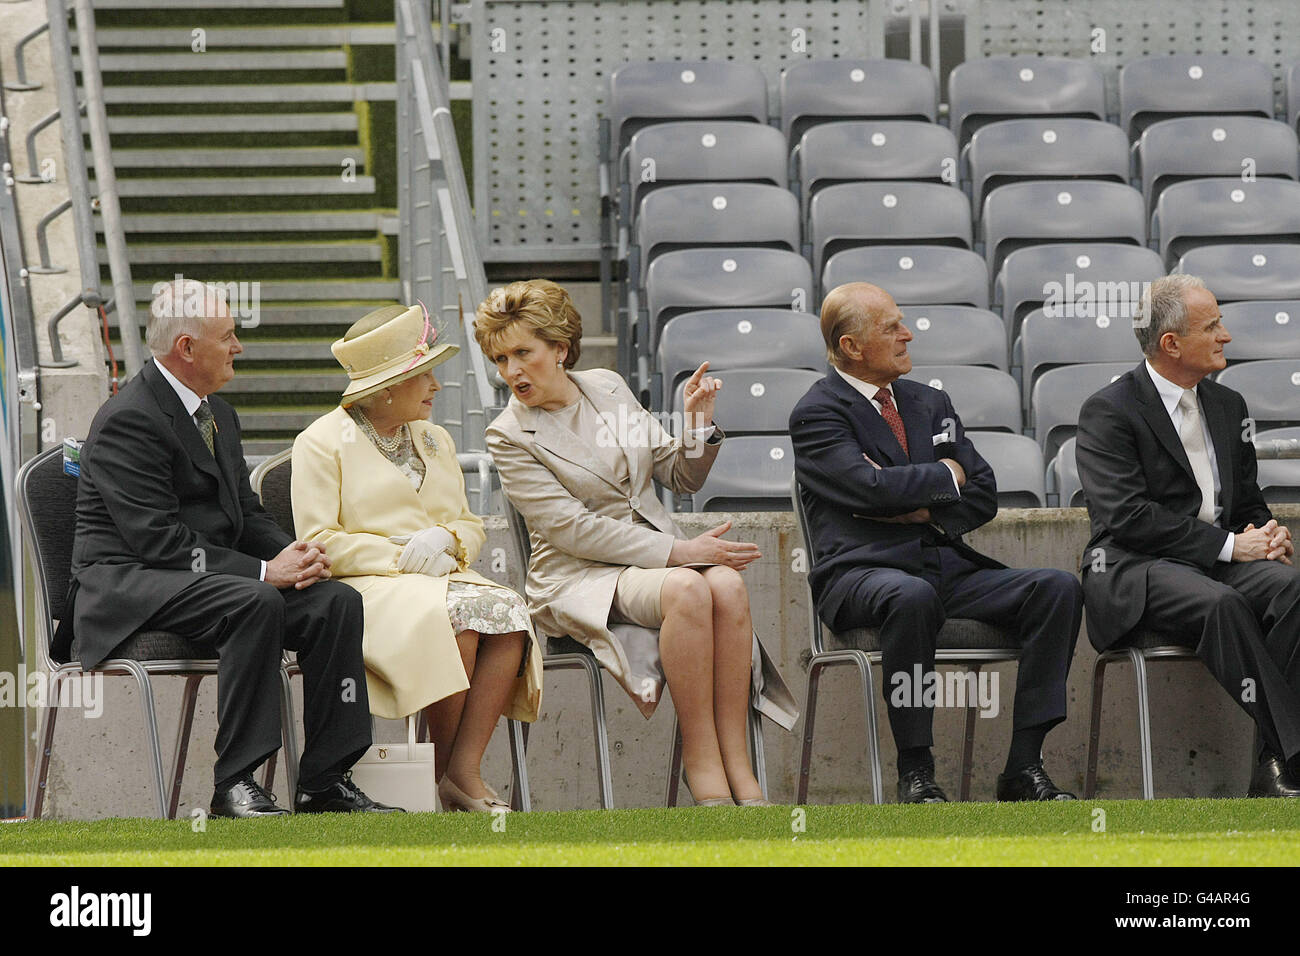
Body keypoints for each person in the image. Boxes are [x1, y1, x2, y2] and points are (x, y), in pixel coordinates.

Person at [60, 279, 395, 817]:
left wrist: (297, 556)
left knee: (335, 601)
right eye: (229, 336)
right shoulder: (129, 418)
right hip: (126, 583)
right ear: (187, 348)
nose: (239, 346)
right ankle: (235, 784)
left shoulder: (220, 414)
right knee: (254, 600)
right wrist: (265, 572)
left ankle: (326, 781)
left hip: (202, 580)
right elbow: (155, 539)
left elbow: (246, 515)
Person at [477, 279, 797, 807]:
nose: (511, 371)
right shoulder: (508, 434)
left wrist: (696, 426)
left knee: (727, 587)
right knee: (691, 590)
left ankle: (737, 760)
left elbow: (679, 476)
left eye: (522, 353)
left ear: (559, 349)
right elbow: (571, 529)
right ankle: (702, 763)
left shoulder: (606, 386)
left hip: (652, 560)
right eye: (500, 357)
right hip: (577, 575)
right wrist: (682, 552)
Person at [790, 282, 1082, 803]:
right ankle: (917, 773)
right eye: (891, 327)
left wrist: (919, 504)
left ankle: (1023, 767)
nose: (908, 334)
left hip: (942, 563)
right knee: (911, 595)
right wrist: (946, 476)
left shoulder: (930, 402)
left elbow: (985, 492)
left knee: (1057, 589)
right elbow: (867, 488)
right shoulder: (818, 412)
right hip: (859, 573)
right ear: (852, 347)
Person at [292, 303, 543, 813]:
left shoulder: (435, 438)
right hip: (368, 587)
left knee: (512, 616)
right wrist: (401, 556)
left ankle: (458, 773)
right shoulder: (320, 441)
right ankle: (457, 778)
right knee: (460, 623)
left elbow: (469, 523)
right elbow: (317, 540)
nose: (436, 386)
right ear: (385, 387)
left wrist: (448, 542)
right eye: (424, 374)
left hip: (446, 577)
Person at [1076, 273, 1300, 797]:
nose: (1226, 336)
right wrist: (1229, 546)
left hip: (1212, 563)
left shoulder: (1228, 407)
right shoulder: (1108, 410)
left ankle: (1277, 761)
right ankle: (1293, 756)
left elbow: (1245, 501)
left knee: (1292, 589)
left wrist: (1263, 534)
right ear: (1171, 343)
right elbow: (1128, 516)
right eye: (1213, 325)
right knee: (1222, 604)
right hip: (1131, 567)